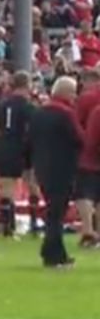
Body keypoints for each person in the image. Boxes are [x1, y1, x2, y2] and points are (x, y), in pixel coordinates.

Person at [29, 76, 82, 269]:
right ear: (66, 93)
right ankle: (54, 255)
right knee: (57, 213)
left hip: (43, 166)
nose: (75, 96)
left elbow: (30, 140)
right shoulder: (66, 113)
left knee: (53, 210)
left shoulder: (38, 113)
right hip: (63, 167)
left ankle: (52, 251)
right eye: (73, 92)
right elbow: (79, 138)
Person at [0, 71, 36, 238]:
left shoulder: (3, 104)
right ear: (26, 85)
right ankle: (34, 223)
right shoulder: (28, 106)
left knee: (7, 187)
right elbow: (32, 129)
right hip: (23, 147)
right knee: (31, 183)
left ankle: (5, 227)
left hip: (4, 146)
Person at [73, 68, 100, 247]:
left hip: (89, 156)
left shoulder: (88, 100)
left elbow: (76, 124)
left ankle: (89, 231)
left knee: (84, 194)